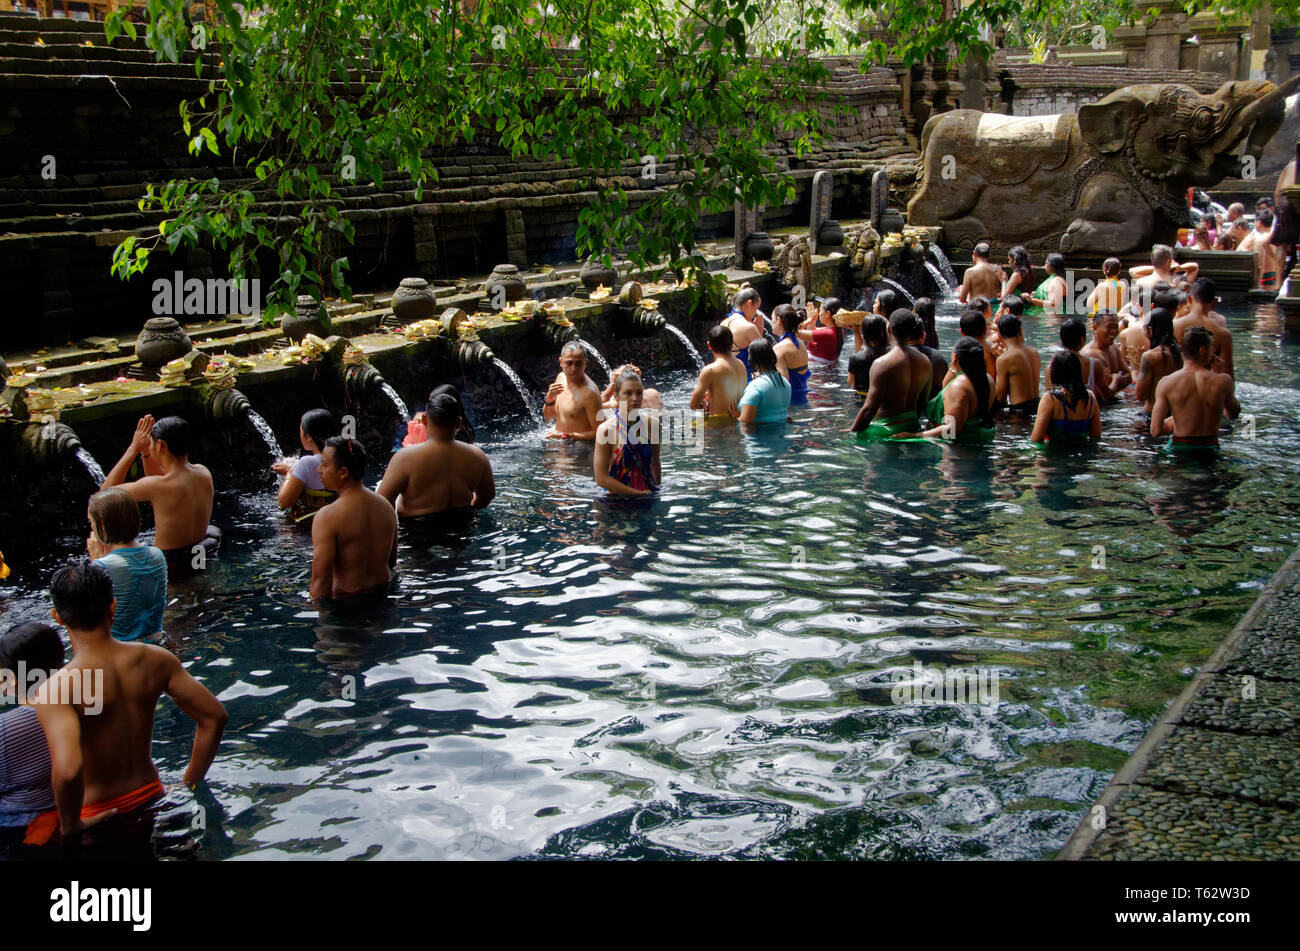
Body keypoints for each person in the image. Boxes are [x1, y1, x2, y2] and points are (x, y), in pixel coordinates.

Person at [26, 559, 227, 846]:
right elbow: (214, 717)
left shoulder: (55, 689)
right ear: (113, 607)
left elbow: (69, 769)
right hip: (155, 799)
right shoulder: (155, 659)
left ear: (57, 617)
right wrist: (190, 783)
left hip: (99, 818)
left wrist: (71, 825)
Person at [102, 415, 218, 567]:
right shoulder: (203, 473)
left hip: (167, 568)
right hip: (198, 558)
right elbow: (162, 483)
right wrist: (146, 453)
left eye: (151, 444)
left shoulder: (158, 487)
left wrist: (133, 449)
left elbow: (103, 496)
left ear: (161, 445)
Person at [378, 391, 495, 523]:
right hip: (462, 527)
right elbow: (487, 496)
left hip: (416, 533)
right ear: (459, 423)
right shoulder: (477, 456)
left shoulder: (405, 458)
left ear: (424, 420)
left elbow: (381, 502)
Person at [310, 438, 398, 600]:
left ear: (343, 472)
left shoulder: (327, 516)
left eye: (324, 464)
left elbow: (321, 581)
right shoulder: (386, 506)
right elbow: (391, 561)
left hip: (347, 603)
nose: (318, 470)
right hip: (383, 598)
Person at [0, 623, 63, 834]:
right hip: (70, 809)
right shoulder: (85, 709)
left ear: (12, 679)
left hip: (17, 823)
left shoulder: (5, 727)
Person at [85, 488, 166, 642]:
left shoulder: (101, 567)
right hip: (156, 641)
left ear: (101, 526)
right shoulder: (157, 555)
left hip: (120, 650)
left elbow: (92, 621)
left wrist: (94, 562)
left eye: (92, 523)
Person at [1150, 326, 1240, 456]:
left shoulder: (1167, 382)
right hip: (1209, 449)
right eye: (1211, 349)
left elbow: (1155, 430)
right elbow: (1233, 414)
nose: (1213, 353)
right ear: (1202, 350)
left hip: (1179, 450)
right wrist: (1220, 372)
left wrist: (1175, 420)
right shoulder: (1223, 381)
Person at [850, 310, 932, 438]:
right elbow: (923, 403)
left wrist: (852, 433)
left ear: (888, 329)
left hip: (885, 430)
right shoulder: (925, 362)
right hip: (912, 427)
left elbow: (869, 408)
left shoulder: (882, 364)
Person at [898, 337, 994, 440]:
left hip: (957, 449)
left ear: (956, 358)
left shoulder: (959, 387)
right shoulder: (988, 379)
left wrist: (914, 435)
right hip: (981, 440)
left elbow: (951, 431)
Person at [593, 369, 660, 496]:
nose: (634, 398)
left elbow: (655, 462)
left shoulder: (653, 425)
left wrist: (656, 493)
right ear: (617, 396)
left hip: (646, 496)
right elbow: (601, 479)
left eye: (639, 393)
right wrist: (637, 494)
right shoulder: (606, 430)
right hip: (614, 500)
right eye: (628, 393)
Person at [271, 409, 340, 521]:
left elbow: (284, 502)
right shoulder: (344, 458)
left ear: (308, 436)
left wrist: (289, 472)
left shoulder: (306, 463)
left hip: (308, 527)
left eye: (301, 430)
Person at [1030, 351, 1101, 446]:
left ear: (1056, 373)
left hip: (1054, 455)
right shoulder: (1091, 398)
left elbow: (1036, 439)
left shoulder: (1050, 399)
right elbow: (1096, 435)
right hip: (1081, 456)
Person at [1048, 316, 1119, 403]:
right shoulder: (1094, 365)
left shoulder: (1051, 367)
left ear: (1062, 340)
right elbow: (1108, 397)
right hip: (1087, 412)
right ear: (1082, 340)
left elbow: (1050, 398)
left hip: (1061, 414)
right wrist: (1115, 381)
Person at [1175, 278, 1234, 378]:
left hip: (1178, 387)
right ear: (1214, 302)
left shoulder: (1174, 326)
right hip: (1207, 387)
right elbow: (1227, 376)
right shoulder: (1223, 335)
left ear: (1189, 298)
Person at [543, 341, 602, 441]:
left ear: (585, 363)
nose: (573, 368)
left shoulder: (590, 393)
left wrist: (568, 435)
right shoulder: (560, 378)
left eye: (578, 364)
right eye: (569, 363)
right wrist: (549, 398)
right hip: (561, 443)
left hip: (580, 449)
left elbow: (601, 433)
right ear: (561, 362)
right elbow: (549, 418)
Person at [690, 324, 747, 418]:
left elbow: (693, 405)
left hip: (718, 426)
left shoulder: (710, 370)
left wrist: (704, 406)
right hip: (738, 420)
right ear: (732, 343)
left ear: (709, 345)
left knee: (695, 425)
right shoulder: (741, 364)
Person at [1134, 308, 1183, 415]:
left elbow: (1140, 395)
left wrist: (1137, 367)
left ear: (1150, 330)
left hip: (1153, 413)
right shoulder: (1182, 352)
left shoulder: (1149, 356)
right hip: (1176, 414)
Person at [993, 313, 1041, 415]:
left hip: (1019, 412)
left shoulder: (1003, 359)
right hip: (1038, 407)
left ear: (999, 336)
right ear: (1020, 330)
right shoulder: (1034, 352)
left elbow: (1000, 397)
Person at [1130, 245, 1198, 314]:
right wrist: (1180, 267)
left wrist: (1157, 266)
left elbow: (1134, 309)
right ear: (1169, 261)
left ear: (1153, 260)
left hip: (1146, 321)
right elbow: (1195, 267)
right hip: (1172, 322)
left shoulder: (1140, 282)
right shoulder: (1177, 282)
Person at [738, 339, 792, 425]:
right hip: (782, 435)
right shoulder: (785, 383)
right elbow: (787, 409)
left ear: (751, 360)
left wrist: (735, 416)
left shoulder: (755, 387)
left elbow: (746, 423)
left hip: (760, 436)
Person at [1080, 311, 1132, 400]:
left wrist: (1114, 382)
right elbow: (1104, 395)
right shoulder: (1090, 356)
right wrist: (1116, 380)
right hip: (1099, 408)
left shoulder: (1114, 348)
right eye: (1109, 327)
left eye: (1116, 327)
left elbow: (1129, 376)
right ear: (1095, 327)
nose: (1114, 331)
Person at [942, 304, 997, 383]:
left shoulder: (958, 349)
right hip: (989, 390)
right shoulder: (992, 348)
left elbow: (947, 381)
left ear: (962, 332)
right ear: (985, 330)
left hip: (965, 390)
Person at [771, 305, 811, 405]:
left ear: (779, 320)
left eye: (772, 319)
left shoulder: (779, 349)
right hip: (803, 402)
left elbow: (783, 385)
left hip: (789, 406)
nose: (771, 322)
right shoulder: (800, 342)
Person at [724, 288, 765, 376]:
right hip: (745, 379)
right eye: (756, 308)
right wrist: (760, 331)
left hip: (727, 377)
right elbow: (765, 357)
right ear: (749, 303)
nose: (755, 313)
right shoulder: (748, 327)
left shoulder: (723, 323)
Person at [846, 313, 889, 394]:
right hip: (884, 398)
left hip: (862, 398)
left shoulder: (855, 358)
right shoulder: (890, 354)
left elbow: (851, 383)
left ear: (863, 334)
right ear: (883, 333)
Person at [798, 297, 846, 364]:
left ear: (827, 314)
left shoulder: (828, 333)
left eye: (821, 310)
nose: (819, 313)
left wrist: (809, 320)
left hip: (819, 371)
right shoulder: (838, 329)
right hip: (823, 367)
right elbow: (813, 334)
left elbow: (795, 332)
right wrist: (813, 321)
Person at [1022, 252, 1067, 317]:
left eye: (1046, 263)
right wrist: (1038, 294)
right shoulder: (1059, 279)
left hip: (1052, 320)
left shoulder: (1055, 281)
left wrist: (1032, 300)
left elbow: (1053, 304)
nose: (1044, 266)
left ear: (1052, 265)